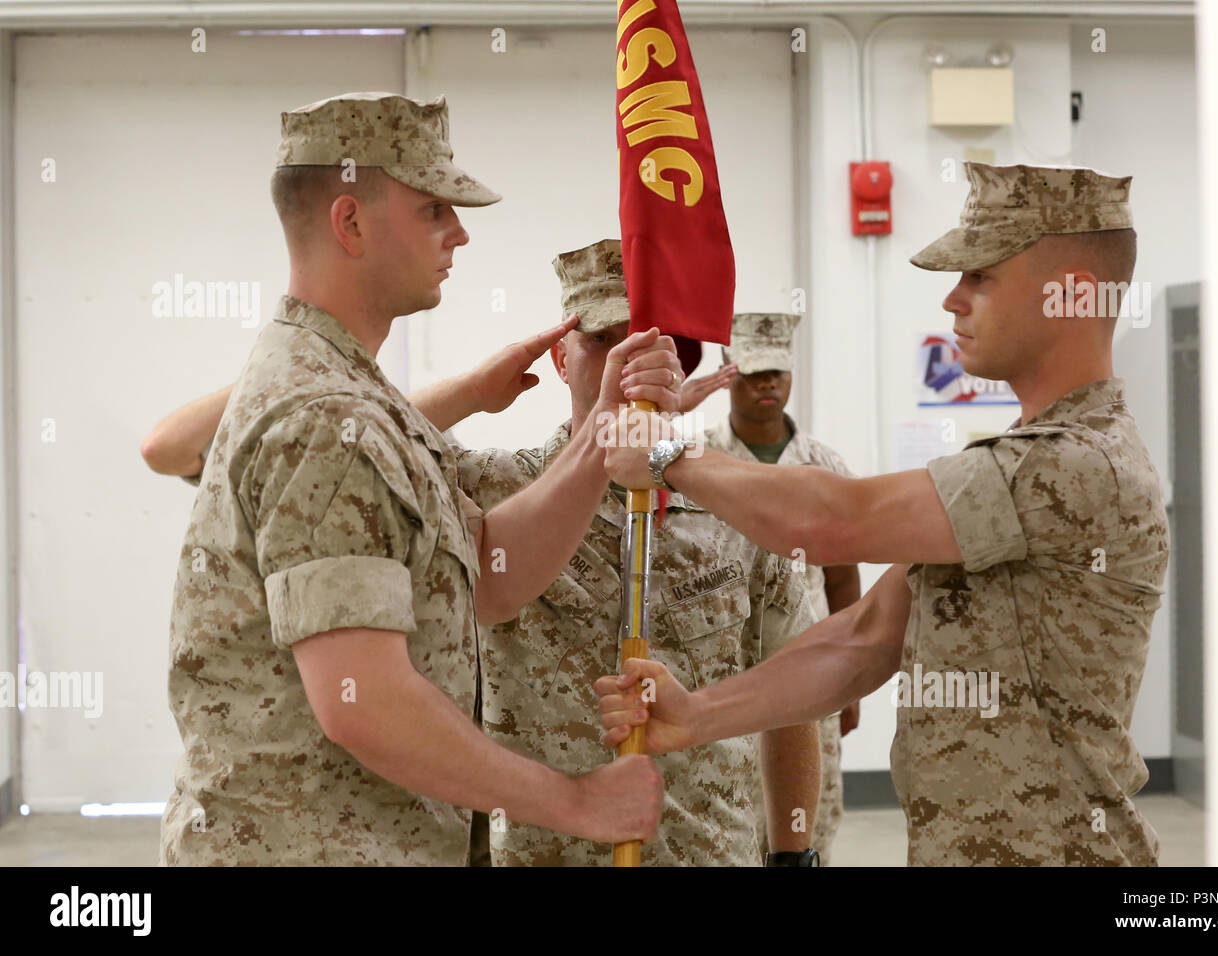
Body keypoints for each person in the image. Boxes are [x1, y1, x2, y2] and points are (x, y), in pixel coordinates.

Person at [597, 162, 1171, 866]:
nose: (953, 301)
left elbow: (836, 521)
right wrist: (697, 716)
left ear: (1073, 296)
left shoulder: (1081, 462)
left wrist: (667, 456)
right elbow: (865, 639)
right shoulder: (1020, 462)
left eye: (981, 277)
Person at [158, 92, 674, 865]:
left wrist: (600, 433)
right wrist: (576, 800)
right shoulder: (324, 419)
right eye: (434, 209)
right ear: (350, 223)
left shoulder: (362, 402)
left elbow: (491, 577)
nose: (459, 233)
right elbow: (365, 707)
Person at [457, 240, 820, 866]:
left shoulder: (739, 502)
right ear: (560, 359)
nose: (627, 365)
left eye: (649, 346)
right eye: (603, 342)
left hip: (706, 854)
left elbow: (790, 693)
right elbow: (340, 443)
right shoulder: (493, 492)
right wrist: (469, 390)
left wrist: (794, 855)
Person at [702, 312, 862, 865]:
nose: (767, 384)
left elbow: (842, 575)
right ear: (728, 371)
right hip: (726, 669)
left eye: (778, 373)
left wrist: (853, 678)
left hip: (811, 662)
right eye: (754, 372)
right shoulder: (699, 461)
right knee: (727, 811)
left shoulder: (822, 466)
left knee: (809, 820)